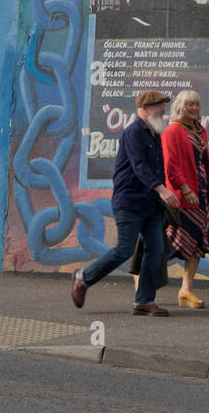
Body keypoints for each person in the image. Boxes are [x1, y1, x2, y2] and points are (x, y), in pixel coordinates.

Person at [71, 89, 179, 316]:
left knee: (156, 250)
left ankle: (144, 301)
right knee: (125, 249)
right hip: (129, 202)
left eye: (164, 106)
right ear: (145, 109)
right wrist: (162, 190)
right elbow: (139, 166)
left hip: (151, 205)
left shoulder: (155, 134)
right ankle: (84, 278)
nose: (164, 110)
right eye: (160, 106)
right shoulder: (134, 133)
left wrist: (166, 192)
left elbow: (157, 169)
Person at [161, 88, 209, 309]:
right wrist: (185, 189)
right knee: (169, 242)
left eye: (196, 104)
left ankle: (186, 290)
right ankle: (142, 283)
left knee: (197, 242)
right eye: (189, 105)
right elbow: (170, 165)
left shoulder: (199, 131)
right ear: (180, 107)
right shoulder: (173, 131)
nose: (194, 108)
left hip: (201, 196)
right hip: (182, 197)